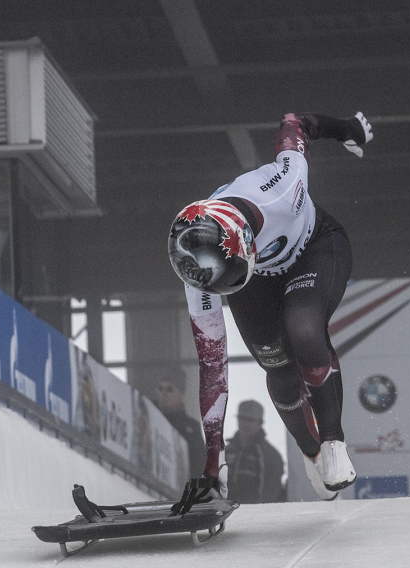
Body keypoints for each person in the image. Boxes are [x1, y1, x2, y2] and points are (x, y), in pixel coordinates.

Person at [168, 111, 373, 500]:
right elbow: (213, 369)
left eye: (226, 279)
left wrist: (347, 130)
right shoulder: (196, 275)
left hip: (315, 247)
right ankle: (312, 452)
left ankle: (332, 441)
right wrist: (213, 459)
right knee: (276, 363)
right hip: (255, 279)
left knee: (303, 328)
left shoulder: (283, 189)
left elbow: (296, 123)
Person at [224, 400, 285, 504]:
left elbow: (272, 492)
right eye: (242, 418)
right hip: (227, 510)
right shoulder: (227, 451)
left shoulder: (271, 456)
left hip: (257, 511)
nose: (245, 423)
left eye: (250, 420)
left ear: (260, 422)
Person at [153, 367, 206, 478]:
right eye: (160, 388)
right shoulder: (148, 415)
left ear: (181, 393)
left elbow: (199, 467)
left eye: (170, 389)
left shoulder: (192, 429)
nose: (163, 393)